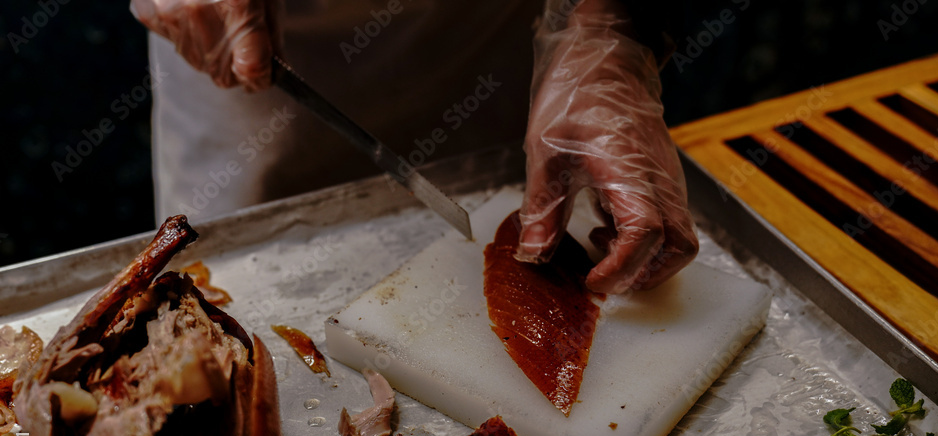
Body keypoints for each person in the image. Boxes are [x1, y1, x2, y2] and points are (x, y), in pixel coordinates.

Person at [132, 0, 698, 294]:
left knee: (519, 227)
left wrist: (609, 31)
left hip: (480, 38)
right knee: (223, 296)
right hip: (258, 50)